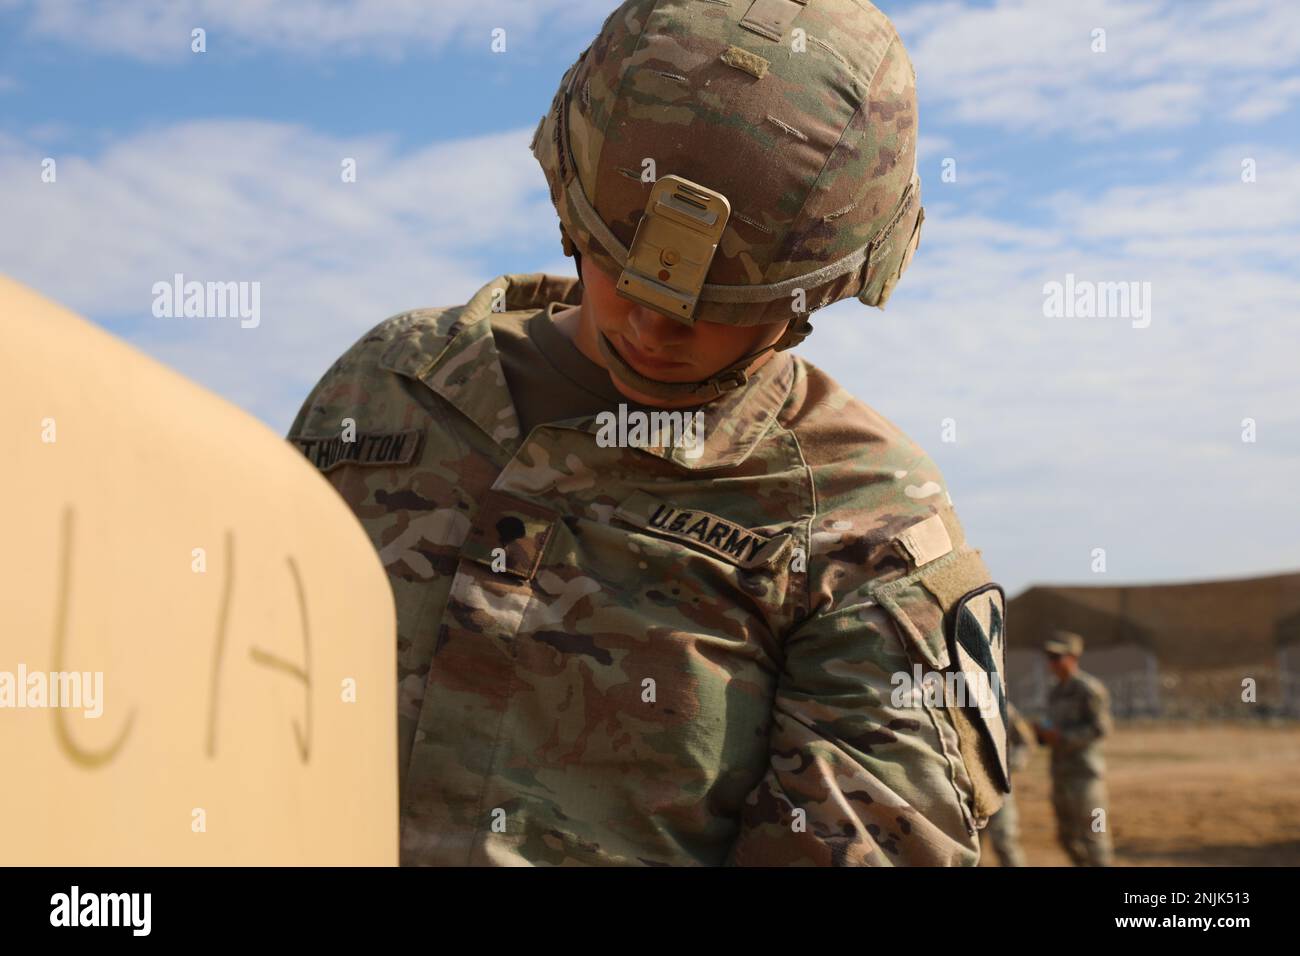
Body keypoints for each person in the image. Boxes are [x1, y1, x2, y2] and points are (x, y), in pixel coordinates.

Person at [288, 0, 1010, 865]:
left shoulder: (869, 528)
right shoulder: (392, 381)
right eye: (623, 270)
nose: (657, 328)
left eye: (722, 307)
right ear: (568, 194)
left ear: (832, 285)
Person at [1035, 631, 1114, 866]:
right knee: (1066, 837)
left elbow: (1101, 729)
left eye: (1057, 657)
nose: (1052, 663)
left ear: (1073, 657)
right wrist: (1043, 735)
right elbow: (1052, 729)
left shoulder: (1089, 689)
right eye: (1049, 657)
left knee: (1096, 834)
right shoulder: (1055, 691)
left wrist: (1062, 737)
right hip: (1061, 776)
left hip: (1087, 778)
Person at [983, 701, 1034, 866]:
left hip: (998, 788)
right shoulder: (947, 702)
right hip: (962, 790)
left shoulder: (999, 705)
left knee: (1004, 841)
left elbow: (1024, 743)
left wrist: (1005, 766)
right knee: (968, 848)